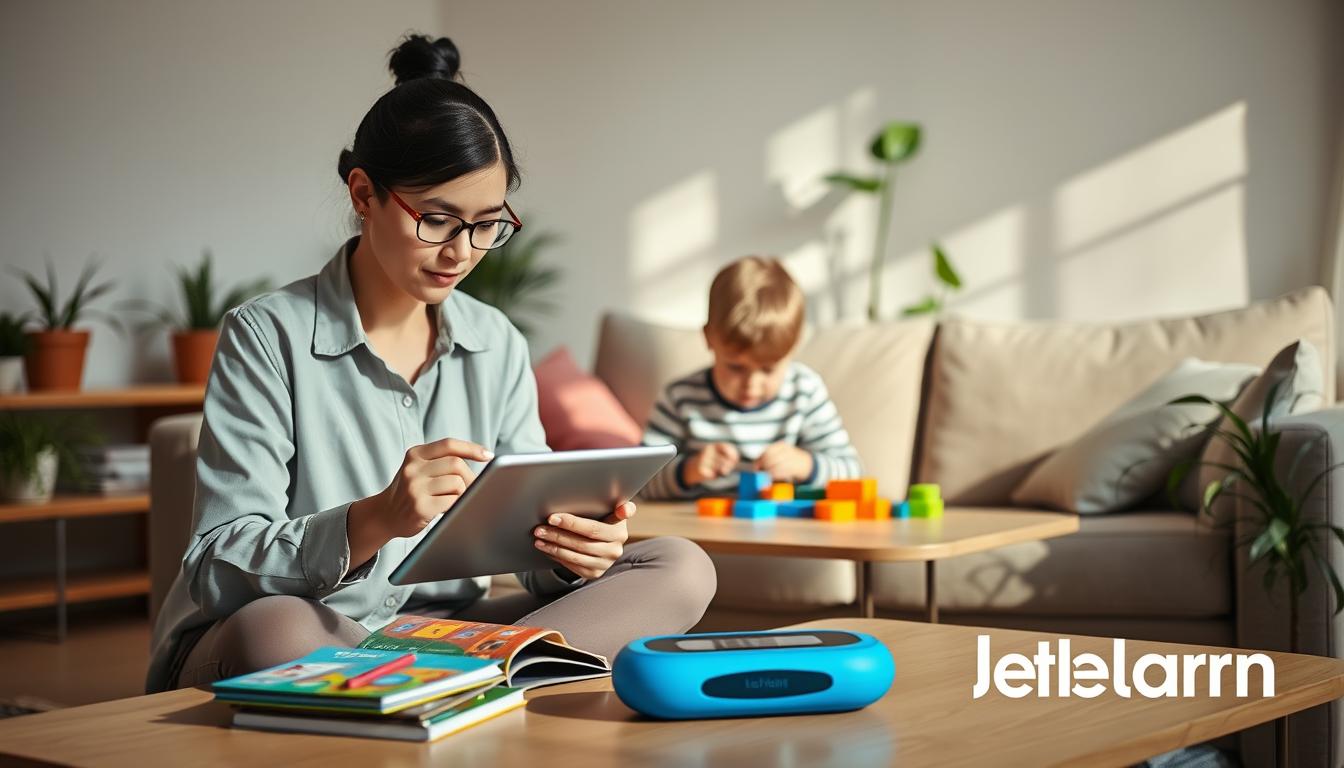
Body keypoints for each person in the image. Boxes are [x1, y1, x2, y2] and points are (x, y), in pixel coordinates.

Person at [146, 34, 715, 693]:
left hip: (446, 633)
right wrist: (371, 522)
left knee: (679, 565)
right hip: (310, 627)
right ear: (364, 194)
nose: (462, 252)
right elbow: (215, 565)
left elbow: (526, 548)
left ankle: (439, 688)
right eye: (439, 220)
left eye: (487, 224)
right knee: (277, 629)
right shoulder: (266, 335)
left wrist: (570, 552)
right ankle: (483, 684)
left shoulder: (496, 341)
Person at [641, 256, 862, 499]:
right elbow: (640, 483)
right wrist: (688, 471)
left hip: (782, 532)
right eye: (736, 368)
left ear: (793, 346)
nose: (752, 385)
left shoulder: (804, 392)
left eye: (768, 369)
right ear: (709, 338)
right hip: (701, 532)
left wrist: (805, 465)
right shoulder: (680, 397)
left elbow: (854, 473)